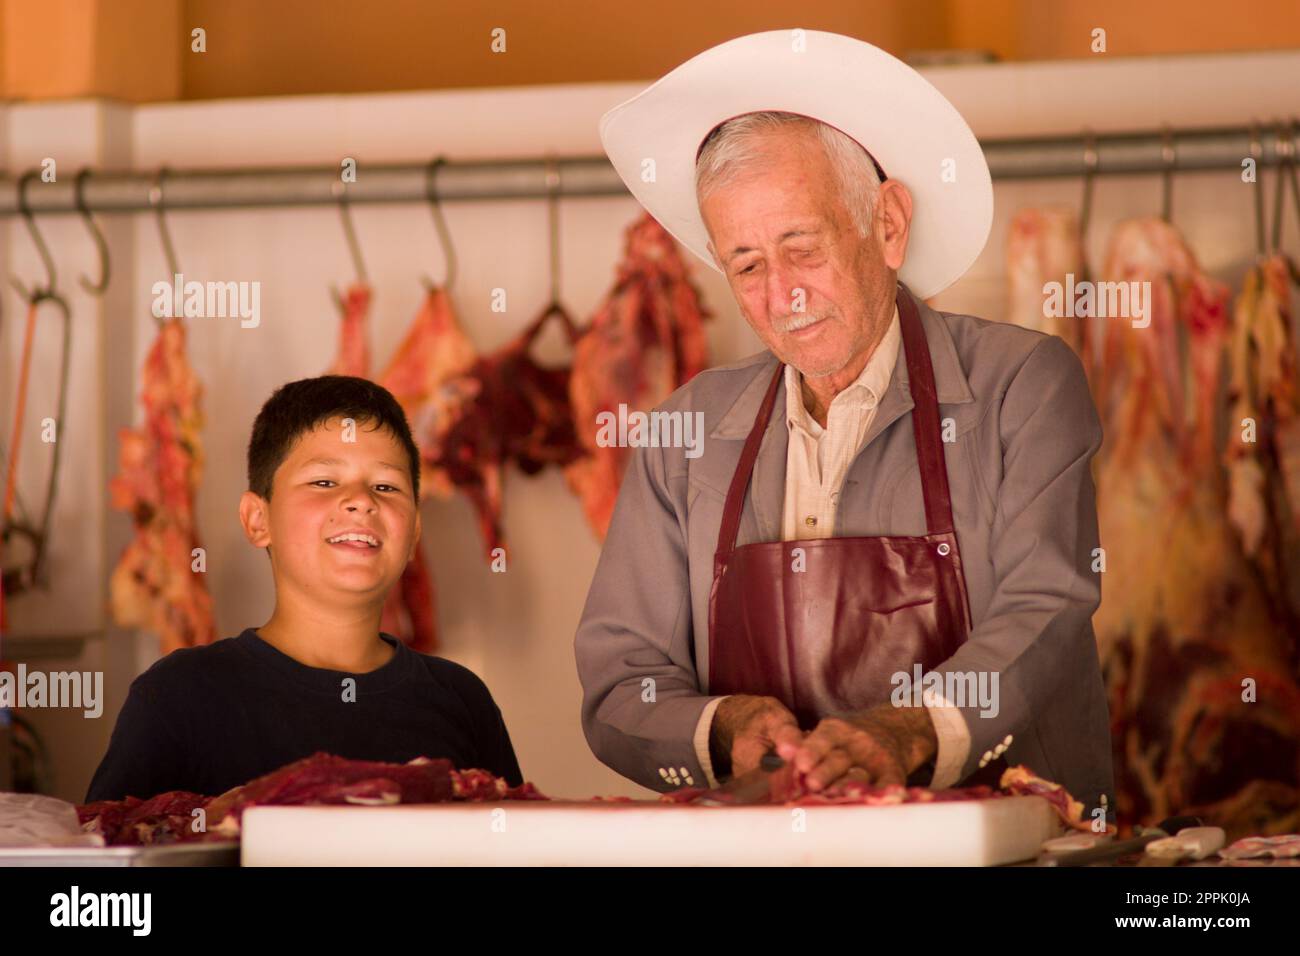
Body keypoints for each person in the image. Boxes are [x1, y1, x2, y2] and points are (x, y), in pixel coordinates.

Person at [577, 30, 1114, 815]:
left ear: (888, 224)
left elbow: (1046, 608)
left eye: (803, 247)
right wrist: (723, 725)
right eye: (748, 265)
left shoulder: (1020, 386)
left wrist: (906, 731)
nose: (782, 294)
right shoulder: (686, 433)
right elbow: (623, 678)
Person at [86, 375, 522, 801]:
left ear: (412, 534)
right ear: (258, 520)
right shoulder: (179, 696)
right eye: (324, 482)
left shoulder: (462, 700)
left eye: (386, 486)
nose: (361, 500)